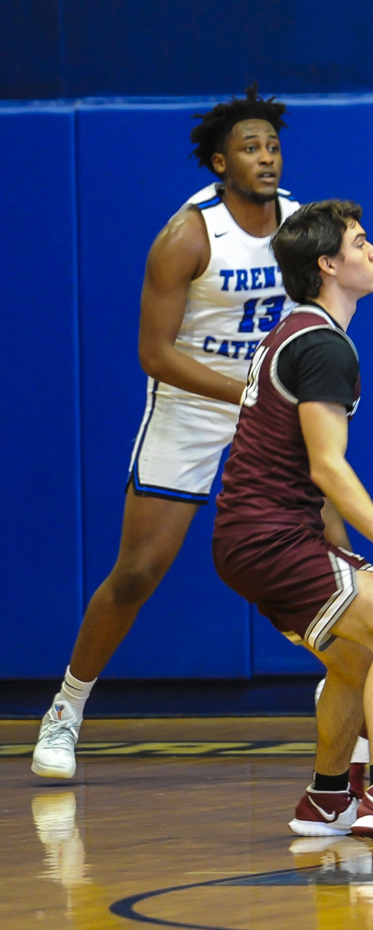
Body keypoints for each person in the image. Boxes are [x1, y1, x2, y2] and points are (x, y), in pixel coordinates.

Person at [32, 87, 318, 779]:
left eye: (272, 146)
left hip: (271, 407)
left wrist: (299, 387)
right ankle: (66, 710)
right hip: (192, 405)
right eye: (251, 148)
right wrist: (245, 389)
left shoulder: (304, 223)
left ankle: (362, 701)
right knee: (137, 573)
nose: (267, 157)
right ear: (222, 161)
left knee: (317, 556)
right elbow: (155, 355)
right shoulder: (188, 235)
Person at [213, 200, 373, 840]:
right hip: (269, 534)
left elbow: (312, 470)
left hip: (257, 537)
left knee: (355, 661)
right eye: (361, 243)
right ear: (328, 264)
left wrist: (346, 555)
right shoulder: (323, 345)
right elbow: (328, 468)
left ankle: (328, 799)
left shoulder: (295, 332)